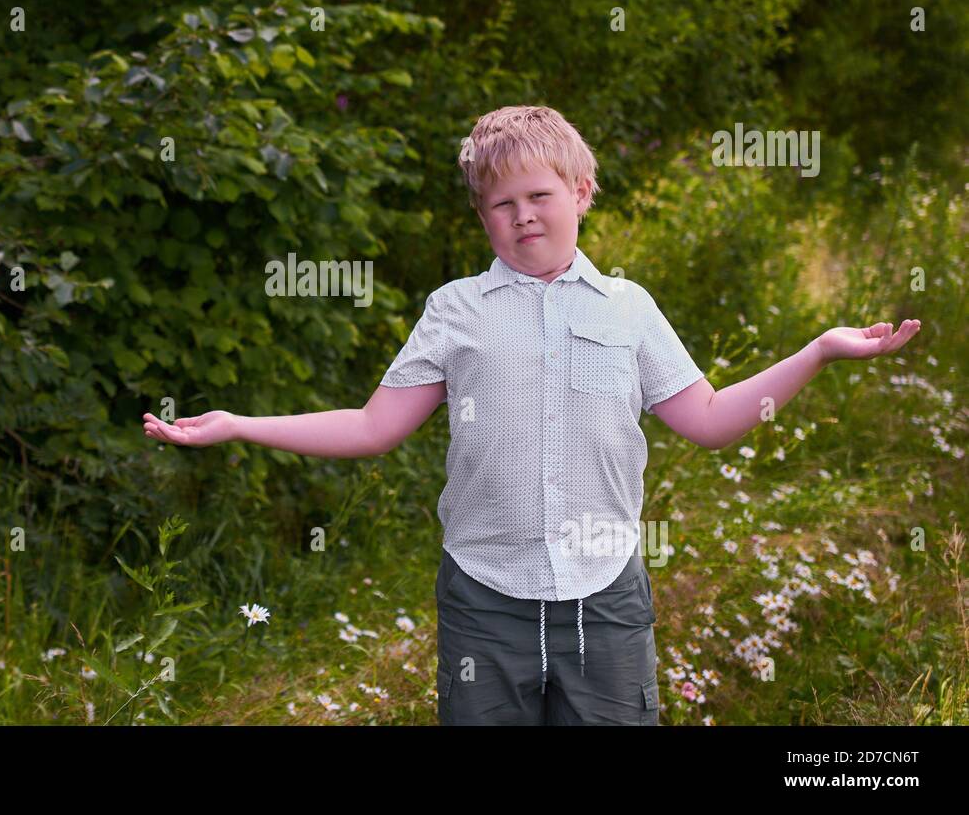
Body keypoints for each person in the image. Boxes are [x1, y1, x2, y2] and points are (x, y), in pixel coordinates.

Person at [142, 105, 921, 725]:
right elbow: (372, 427)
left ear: (582, 192)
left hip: (605, 598)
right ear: (482, 218)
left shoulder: (630, 310)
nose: (522, 217)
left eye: (540, 195)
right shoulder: (455, 312)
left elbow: (711, 419)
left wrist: (816, 351)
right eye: (500, 205)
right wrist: (243, 424)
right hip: (485, 599)